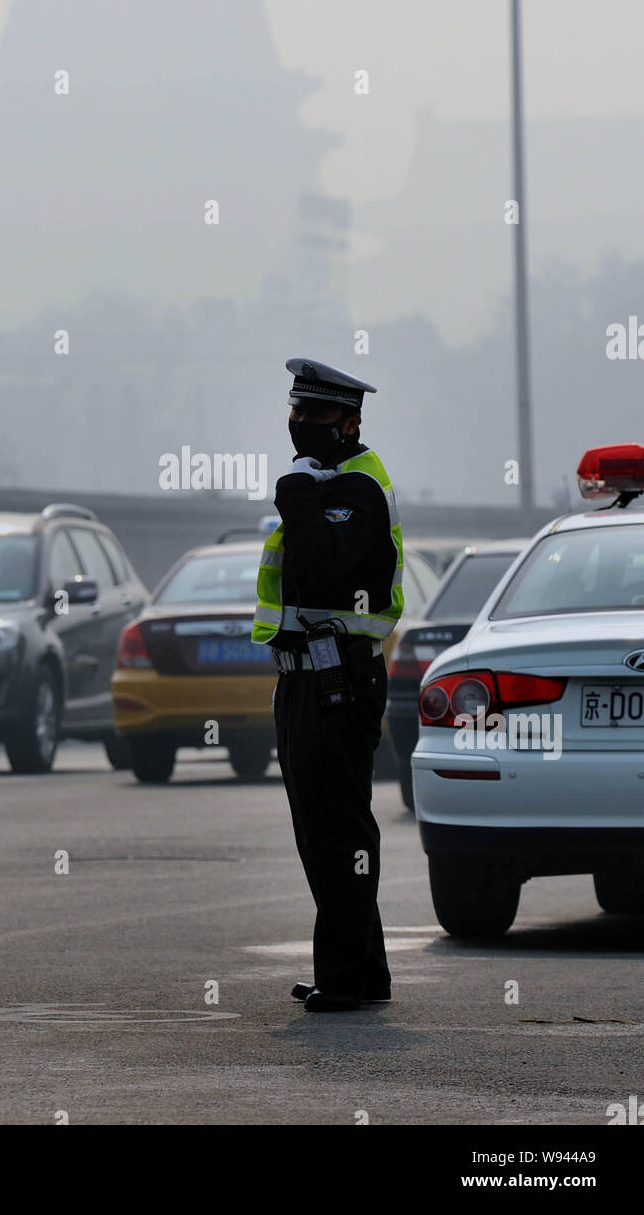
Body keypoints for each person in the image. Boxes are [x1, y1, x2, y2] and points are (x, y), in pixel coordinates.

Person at [251, 359, 404, 1012]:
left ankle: (349, 976)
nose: (300, 424)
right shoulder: (323, 482)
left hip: (337, 676)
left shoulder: (355, 489)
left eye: (316, 414)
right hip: (304, 678)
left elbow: (321, 566)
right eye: (296, 410)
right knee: (320, 830)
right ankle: (358, 970)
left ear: (350, 422)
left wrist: (295, 492)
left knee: (336, 830)